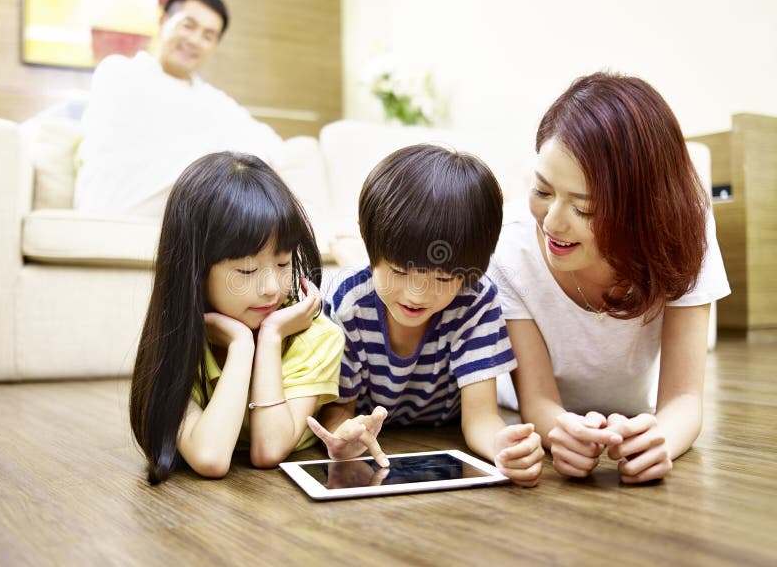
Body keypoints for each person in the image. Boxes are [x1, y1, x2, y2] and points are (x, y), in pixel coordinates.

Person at [487, 72, 730, 484]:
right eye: (543, 192)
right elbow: (538, 400)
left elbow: (685, 399)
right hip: (519, 409)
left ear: (642, 212)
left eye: (586, 209)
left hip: (634, 411)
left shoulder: (684, 233)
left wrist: (662, 440)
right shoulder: (512, 251)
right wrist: (558, 431)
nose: (554, 223)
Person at [307, 144, 545, 487]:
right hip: (378, 450)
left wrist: (502, 447)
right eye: (401, 272)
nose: (417, 295)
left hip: (445, 435)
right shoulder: (349, 301)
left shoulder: (476, 301)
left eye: (443, 279)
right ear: (371, 242)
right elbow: (339, 408)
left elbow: (480, 416)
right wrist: (343, 434)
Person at [129, 151, 344, 484]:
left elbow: (269, 451)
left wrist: (270, 337)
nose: (272, 288)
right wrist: (242, 346)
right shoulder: (180, 344)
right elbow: (211, 458)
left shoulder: (317, 337)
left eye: (284, 263)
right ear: (195, 271)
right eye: (246, 270)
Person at [74, 0, 282, 216]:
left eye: (208, 36)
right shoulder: (120, 72)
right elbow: (132, 148)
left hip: (182, 221)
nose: (194, 40)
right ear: (163, 21)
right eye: (188, 26)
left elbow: (271, 146)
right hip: (111, 207)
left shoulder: (213, 100)